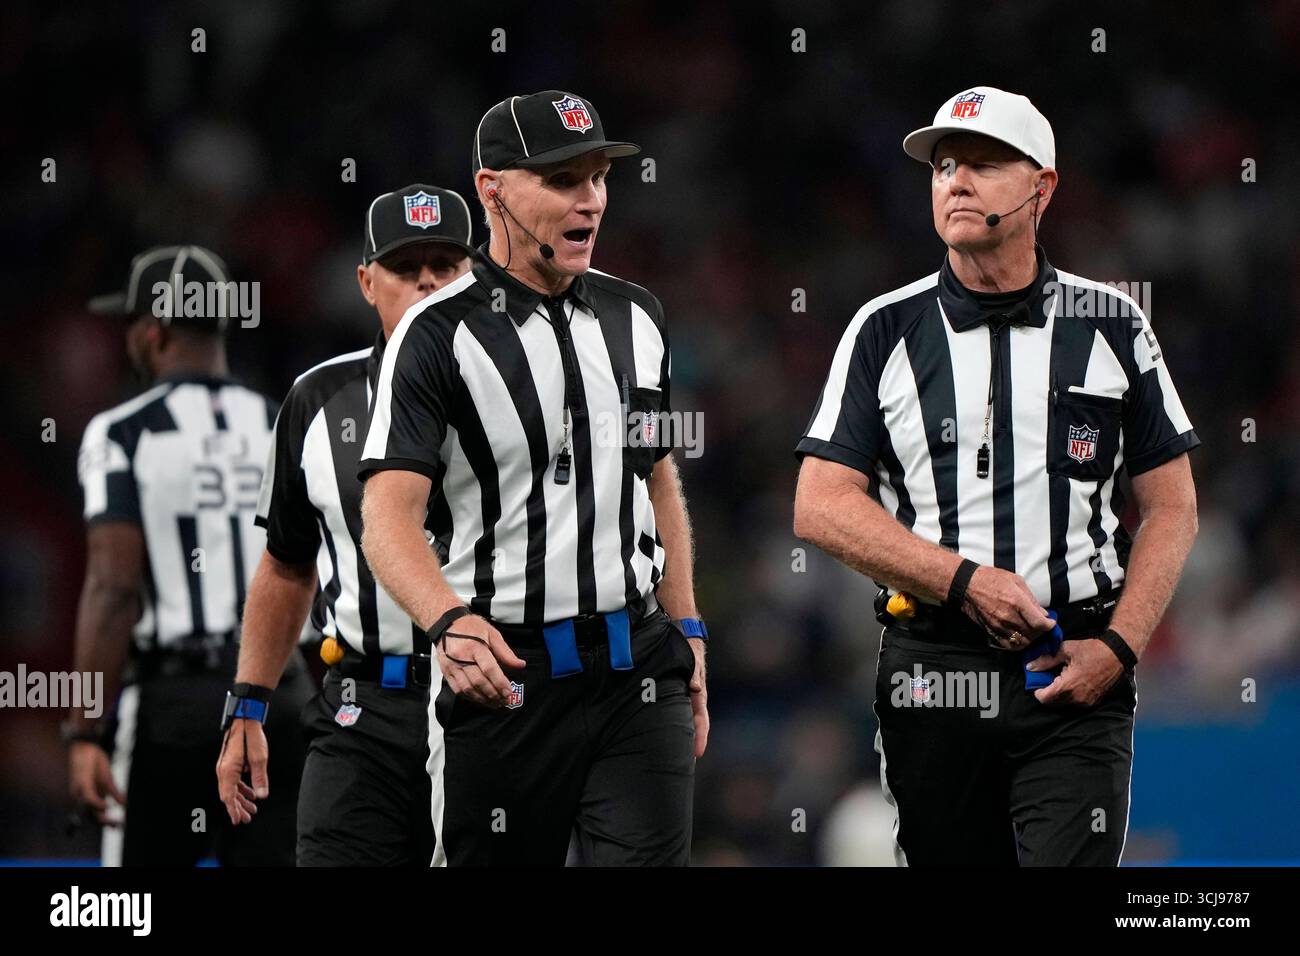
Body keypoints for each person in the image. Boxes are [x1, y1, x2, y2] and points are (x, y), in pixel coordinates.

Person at [793, 86, 1200, 866]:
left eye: (983, 163)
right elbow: (819, 505)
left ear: (1043, 187)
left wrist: (1120, 646)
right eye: (944, 165)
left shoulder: (1114, 323)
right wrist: (964, 580)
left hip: (1076, 664)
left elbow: (1173, 507)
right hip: (933, 664)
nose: (955, 180)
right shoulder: (884, 328)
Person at [359, 91, 709, 866]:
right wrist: (447, 620)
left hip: (635, 671)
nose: (590, 200)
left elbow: (655, 482)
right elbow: (386, 518)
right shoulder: (435, 333)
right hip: (505, 679)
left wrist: (688, 630)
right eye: (561, 181)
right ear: (493, 191)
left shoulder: (638, 316)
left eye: (597, 177)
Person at [215, 185, 475, 866]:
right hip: (362, 708)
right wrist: (248, 701)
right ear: (365, 282)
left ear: (476, 276)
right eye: (405, 264)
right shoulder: (317, 399)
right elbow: (285, 562)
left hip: (494, 706)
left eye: (445, 264)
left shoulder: (528, 390)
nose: (426, 279)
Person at [69, 245, 312, 865]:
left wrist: (84, 729)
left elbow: (113, 588)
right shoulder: (284, 421)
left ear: (153, 330)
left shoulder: (122, 431)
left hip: (176, 703)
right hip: (278, 695)